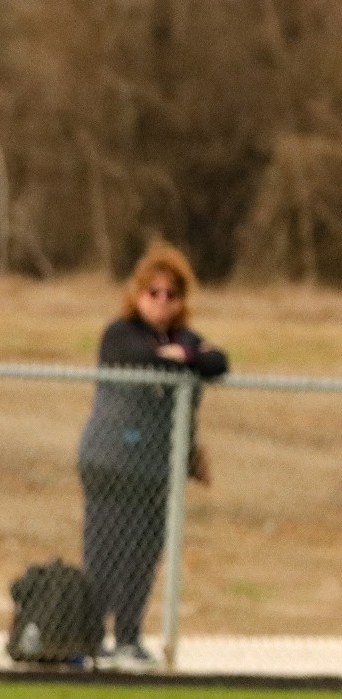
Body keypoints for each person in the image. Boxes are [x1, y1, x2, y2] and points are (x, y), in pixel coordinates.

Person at [78, 242, 227, 672]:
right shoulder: (120, 332)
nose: (162, 301)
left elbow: (217, 361)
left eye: (172, 294)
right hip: (111, 461)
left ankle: (128, 637)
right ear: (137, 294)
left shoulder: (185, 340)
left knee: (144, 553)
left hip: (158, 469)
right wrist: (180, 362)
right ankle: (91, 637)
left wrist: (183, 356)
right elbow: (137, 358)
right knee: (105, 550)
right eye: (153, 292)